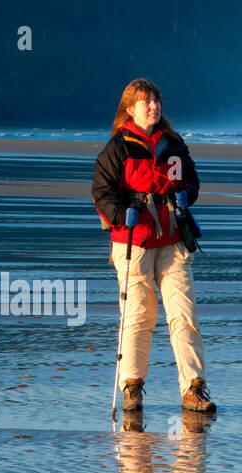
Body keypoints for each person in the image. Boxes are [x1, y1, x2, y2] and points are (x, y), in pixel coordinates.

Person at [91, 78, 217, 414]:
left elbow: (192, 181)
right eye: (145, 101)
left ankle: (194, 389)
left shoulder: (174, 144)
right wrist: (121, 213)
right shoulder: (117, 148)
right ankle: (132, 388)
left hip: (174, 242)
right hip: (134, 243)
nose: (153, 106)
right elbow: (101, 193)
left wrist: (186, 195)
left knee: (184, 314)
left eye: (157, 100)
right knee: (137, 316)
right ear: (129, 109)